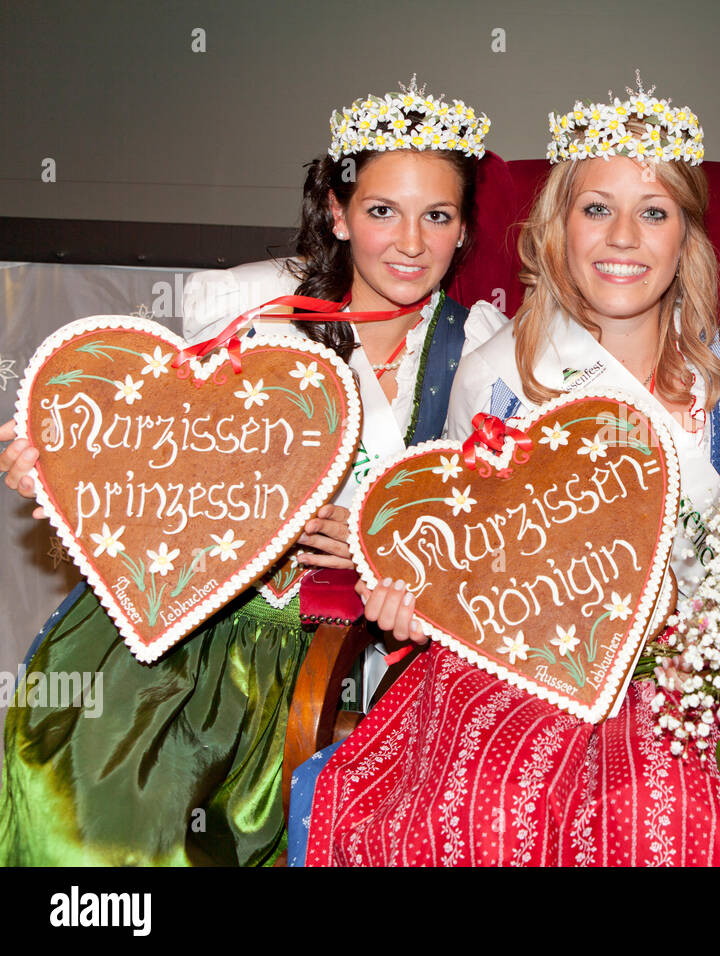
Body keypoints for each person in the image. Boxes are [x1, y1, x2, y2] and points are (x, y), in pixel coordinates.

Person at [301, 82, 720, 866]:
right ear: (559, 226)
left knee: (673, 820)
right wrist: (408, 598)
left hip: (688, 686)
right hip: (516, 676)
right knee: (486, 809)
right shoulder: (494, 372)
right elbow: (452, 559)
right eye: (597, 209)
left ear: (685, 235)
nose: (624, 236)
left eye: (654, 212)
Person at [0, 78, 502, 865]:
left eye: (436, 215)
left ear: (464, 228)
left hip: (343, 653)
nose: (410, 241)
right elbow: (156, 453)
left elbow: (483, 540)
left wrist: (394, 555)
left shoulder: (484, 352)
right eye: (381, 211)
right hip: (190, 627)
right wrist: (63, 470)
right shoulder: (252, 309)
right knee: (97, 818)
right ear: (337, 213)